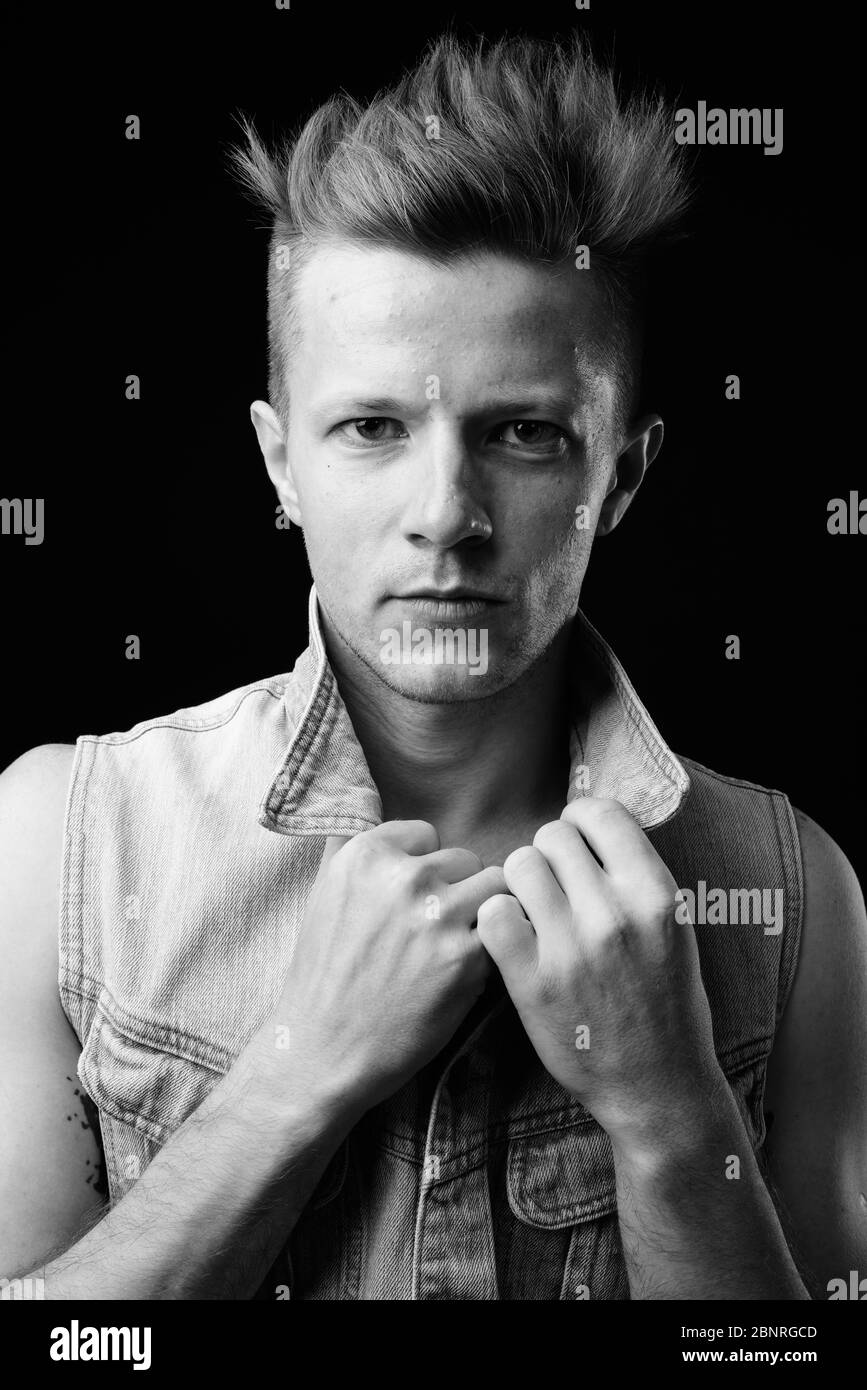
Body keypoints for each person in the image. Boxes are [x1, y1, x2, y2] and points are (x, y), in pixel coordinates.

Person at [1, 32, 864, 1301]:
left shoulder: (797, 902)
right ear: (279, 462)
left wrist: (674, 1113)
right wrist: (298, 1074)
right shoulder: (53, 848)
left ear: (620, 471)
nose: (446, 514)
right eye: (372, 429)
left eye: (522, 433)